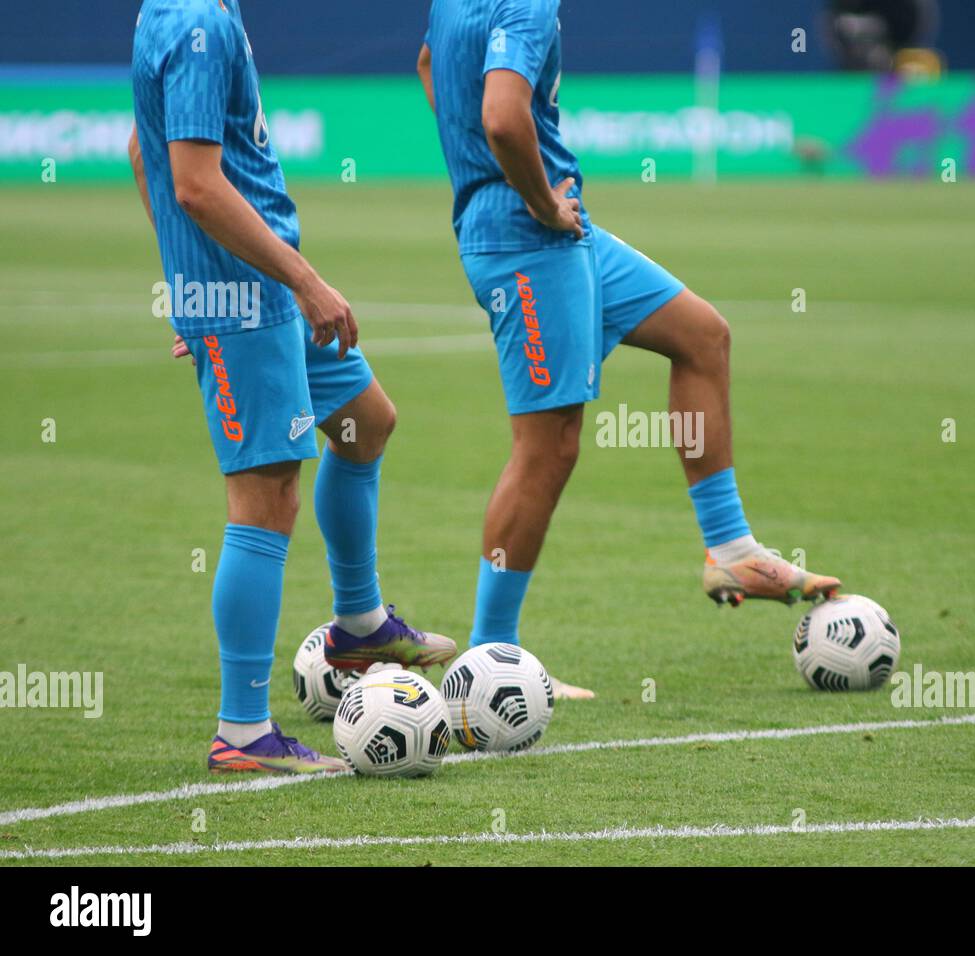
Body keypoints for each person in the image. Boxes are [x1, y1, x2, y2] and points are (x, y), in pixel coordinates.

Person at [417, 0, 841, 697]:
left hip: (556, 231)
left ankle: (731, 550)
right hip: (531, 233)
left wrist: (482, 173)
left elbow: (430, 63)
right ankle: (491, 661)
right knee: (548, 446)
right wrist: (531, 195)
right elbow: (501, 115)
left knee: (701, 335)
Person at [130, 0, 455, 772]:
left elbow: (145, 156)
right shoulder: (198, 21)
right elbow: (195, 186)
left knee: (365, 422)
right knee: (267, 498)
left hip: (247, 289)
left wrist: (186, 281)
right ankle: (242, 731)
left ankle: (359, 622)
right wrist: (300, 281)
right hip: (250, 296)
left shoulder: (178, 11)